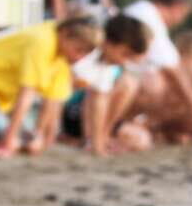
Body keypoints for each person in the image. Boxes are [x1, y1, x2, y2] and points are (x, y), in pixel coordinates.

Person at [0, 17, 101, 156]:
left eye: (84, 54)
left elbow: (52, 100)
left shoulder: (62, 56)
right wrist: (9, 139)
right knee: (12, 140)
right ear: (65, 34)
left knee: (27, 142)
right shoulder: (41, 41)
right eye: (78, 50)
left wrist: (40, 136)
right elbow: (27, 92)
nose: (79, 58)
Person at [61, 15, 151, 156]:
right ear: (108, 43)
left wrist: (98, 143)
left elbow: (100, 101)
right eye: (125, 54)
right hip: (66, 111)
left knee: (142, 140)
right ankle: (89, 139)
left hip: (77, 113)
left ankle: (97, 139)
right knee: (111, 88)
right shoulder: (83, 53)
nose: (124, 61)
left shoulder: (106, 65)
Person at [117, 0, 192, 126]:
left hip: (117, 78)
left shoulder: (145, 11)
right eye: (185, 14)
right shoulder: (148, 17)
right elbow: (172, 69)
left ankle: (123, 125)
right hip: (117, 79)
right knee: (156, 83)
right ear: (178, 7)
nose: (181, 20)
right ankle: (117, 125)